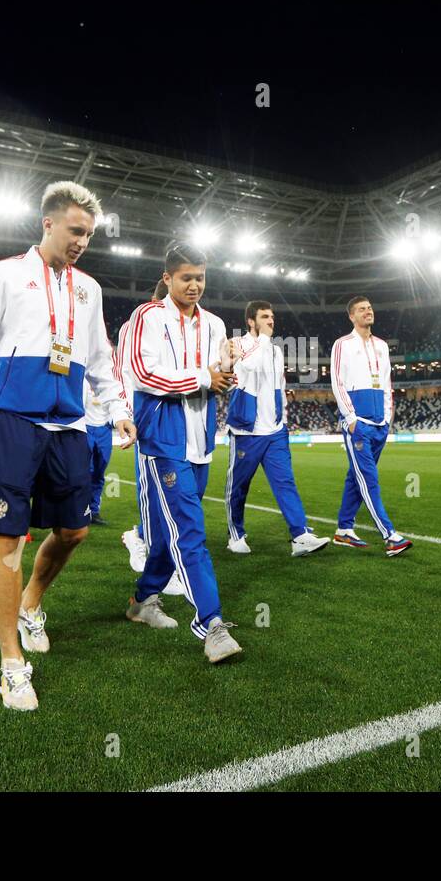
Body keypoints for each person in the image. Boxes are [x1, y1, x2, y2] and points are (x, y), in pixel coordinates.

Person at [0, 181, 136, 712]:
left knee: (75, 529)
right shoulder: (2, 275)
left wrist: (119, 410)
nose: (82, 241)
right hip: (15, 421)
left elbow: (101, 357)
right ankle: (12, 665)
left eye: (88, 234)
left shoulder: (89, 289)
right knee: (10, 540)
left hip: (70, 424)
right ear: (47, 223)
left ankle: (31, 603)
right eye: (74, 230)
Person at [121, 243, 242, 663]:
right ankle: (212, 624)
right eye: (186, 278)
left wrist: (227, 374)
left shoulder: (214, 323)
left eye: (200, 278)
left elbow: (217, 376)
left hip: (201, 436)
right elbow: (142, 373)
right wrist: (203, 377)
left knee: (167, 531)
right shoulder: (147, 316)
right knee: (190, 531)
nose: (194, 285)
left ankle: (141, 600)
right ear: (168, 277)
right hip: (162, 435)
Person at [223, 300, 329, 557]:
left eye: (272, 316)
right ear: (251, 321)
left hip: (275, 431)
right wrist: (264, 341)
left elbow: (279, 386)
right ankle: (235, 533)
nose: (271, 320)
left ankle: (300, 535)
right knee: (238, 486)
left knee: (285, 483)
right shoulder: (237, 344)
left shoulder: (274, 350)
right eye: (264, 317)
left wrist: (283, 420)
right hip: (248, 431)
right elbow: (247, 368)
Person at [330, 296, 412, 557]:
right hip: (359, 424)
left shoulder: (382, 346)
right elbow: (337, 382)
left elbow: (387, 383)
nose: (368, 311)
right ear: (352, 317)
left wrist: (388, 418)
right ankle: (389, 536)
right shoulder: (342, 344)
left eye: (370, 308)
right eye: (362, 309)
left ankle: (344, 530)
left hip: (380, 424)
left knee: (356, 476)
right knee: (368, 478)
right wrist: (350, 418)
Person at [82, 382, 112, 525]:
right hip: (86, 426)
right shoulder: (84, 377)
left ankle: (94, 511)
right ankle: (81, 509)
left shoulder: (109, 380)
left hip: (105, 429)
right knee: (86, 471)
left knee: (99, 472)